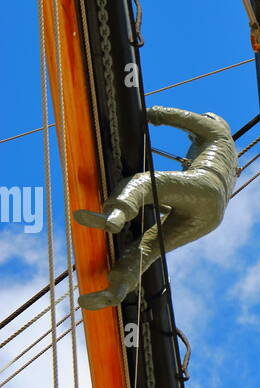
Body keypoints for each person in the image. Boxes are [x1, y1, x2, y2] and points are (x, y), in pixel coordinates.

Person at [74, 106, 239, 311]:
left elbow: (185, 118)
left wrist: (150, 112)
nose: (191, 137)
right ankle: (117, 290)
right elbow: (182, 198)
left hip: (206, 181)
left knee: (143, 182)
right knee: (148, 248)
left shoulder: (219, 132)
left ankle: (115, 217)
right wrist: (152, 199)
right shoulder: (232, 162)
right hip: (213, 215)